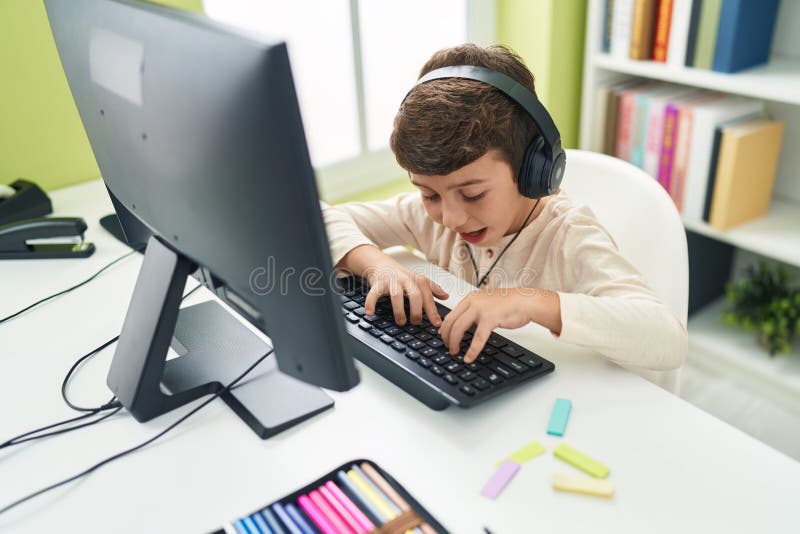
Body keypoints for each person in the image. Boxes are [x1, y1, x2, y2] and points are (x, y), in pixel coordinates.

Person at [322, 43, 687, 376]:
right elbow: (319, 217)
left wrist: (534, 302)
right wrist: (376, 264)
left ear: (534, 171)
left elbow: (667, 338)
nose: (450, 218)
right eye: (429, 195)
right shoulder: (426, 217)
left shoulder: (569, 235)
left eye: (474, 194)